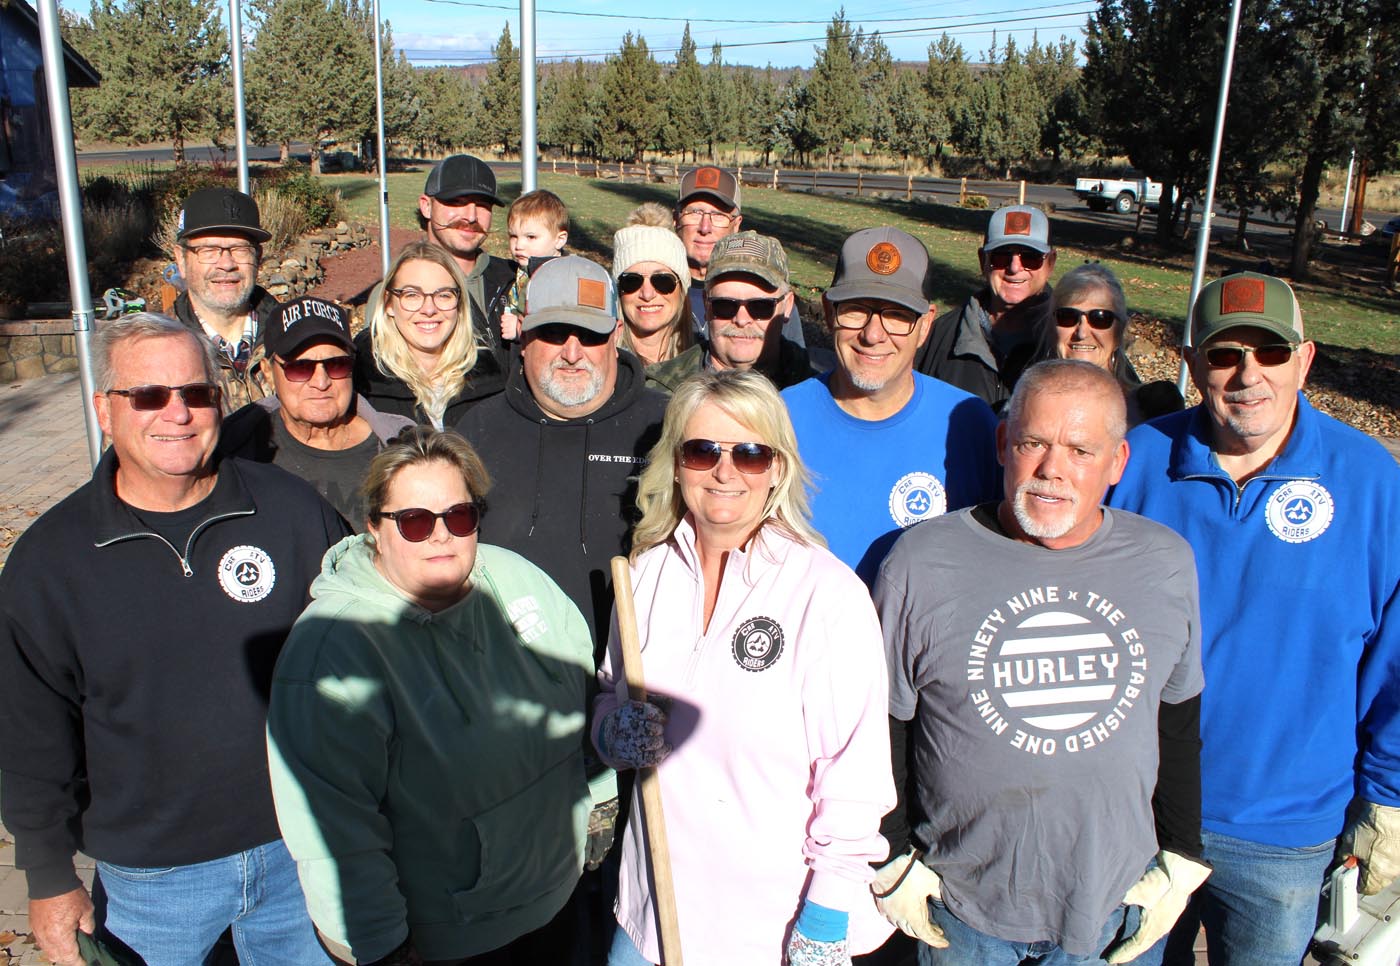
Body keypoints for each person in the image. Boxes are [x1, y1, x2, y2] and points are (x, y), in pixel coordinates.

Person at [0, 313, 349, 966]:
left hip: (297, 850)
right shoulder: (51, 561)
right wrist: (48, 875)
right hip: (152, 880)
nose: (178, 413)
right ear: (105, 411)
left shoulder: (290, 511)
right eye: (150, 396)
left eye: (197, 392)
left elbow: (364, 653)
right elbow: (29, 734)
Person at [872, 359, 1209, 966]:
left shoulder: (1164, 563)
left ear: (1118, 462)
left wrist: (1182, 853)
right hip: (961, 904)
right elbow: (880, 723)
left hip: (1113, 903)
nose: (1053, 470)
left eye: (1081, 450)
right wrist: (891, 854)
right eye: (1034, 442)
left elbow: (1178, 717)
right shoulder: (921, 561)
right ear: (1004, 444)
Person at [1106, 272, 1400, 966]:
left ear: (1305, 359)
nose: (1248, 375)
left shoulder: (1368, 480)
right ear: (1187, 361)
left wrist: (1387, 796)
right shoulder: (1135, 462)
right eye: (1223, 354)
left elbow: (1395, 654)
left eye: (1270, 353)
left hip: (1285, 827)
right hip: (1137, 813)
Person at [595, 368, 895, 965]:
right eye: (702, 450)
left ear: (777, 469)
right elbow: (608, 696)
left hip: (772, 931)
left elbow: (854, 774)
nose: (725, 471)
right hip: (649, 916)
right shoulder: (645, 575)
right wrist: (612, 733)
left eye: (751, 454)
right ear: (677, 463)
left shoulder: (825, 594)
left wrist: (828, 911)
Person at [268, 427, 596, 965]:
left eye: (459, 516)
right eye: (416, 521)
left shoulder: (519, 580)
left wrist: (599, 802)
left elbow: (583, 701)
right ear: (374, 526)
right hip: (450, 939)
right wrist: (384, 948)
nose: (441, 535)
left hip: (556, 902)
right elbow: (336, 832)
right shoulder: (334, 649)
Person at [455, 254, 667, 648]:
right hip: (508, 674)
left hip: (631, 676)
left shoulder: (665, 428)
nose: (572, 352)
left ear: (617, 335)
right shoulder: (474, 432)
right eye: (554, 333)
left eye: (590, 335)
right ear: (522, 337)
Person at [784, 227, 999, 585]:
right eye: (854, 310)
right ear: (827, 311)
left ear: (926, 325)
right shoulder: (780, 418)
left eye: (897, 315)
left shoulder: (967, 423)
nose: (873, 334)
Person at [220, 295, 414, 529]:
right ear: (268, 372)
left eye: (336, 365)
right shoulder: (233, 451)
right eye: (300, 368)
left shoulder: (404, 443)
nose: (321, 382)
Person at [914, 205, 1057, 411]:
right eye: (1002, 255)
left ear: (1050, 263)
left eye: (1030, 257)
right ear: (983, 261)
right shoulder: (937, 337)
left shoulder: (1072, 338)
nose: (1014, 268)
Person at [355, 241, 506, 429]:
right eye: (412, 295)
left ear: (459, 304)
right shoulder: (361, 385)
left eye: (444, 295)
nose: (429, 309)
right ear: (388, 304)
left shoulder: (490, 382)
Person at [647, 231, 814, 393]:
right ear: (706, 304)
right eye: (724, 305)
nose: (741, 320)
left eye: (760, 306)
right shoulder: (660, 395)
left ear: (787, 305)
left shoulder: (820, 397)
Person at [170, 186, 279, 411]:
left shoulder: (294, 336)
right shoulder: (156, 349)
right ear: (181, 259)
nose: (227, 264)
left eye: (240, 249)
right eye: (209, 250)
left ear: (258, 257)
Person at [674, 165, 805, 347]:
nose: (705, 227)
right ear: (676, 220)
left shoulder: (770, 295)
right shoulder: (657, 289)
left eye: (718, 215)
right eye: (695, 212)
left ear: (736, 225)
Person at [1036, 263, 1183, 426]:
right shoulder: (1028, 403)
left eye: (1100, 318)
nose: (1081, 333)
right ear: (1051, 325)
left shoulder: (1152, 414)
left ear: (1120, 330)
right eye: (1067, 317)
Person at [415, 153, 515, 359]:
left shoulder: (515, 278)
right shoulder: (402, 290)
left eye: (482, 205)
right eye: (457, 201)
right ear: (427, 206)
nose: (471, 216)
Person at [611, 221, 696, 370]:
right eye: (632, 281)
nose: (647, 294)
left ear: (681, 289)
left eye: (662, 281)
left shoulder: (704, 363)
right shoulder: (604, 364)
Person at [500, 188, 570, 341]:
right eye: (513, 236)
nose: (518, 245)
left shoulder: (559, 279)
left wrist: (519, 330)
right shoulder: (527, 269)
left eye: (530, 237)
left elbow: (555, 329)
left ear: (559, 240)